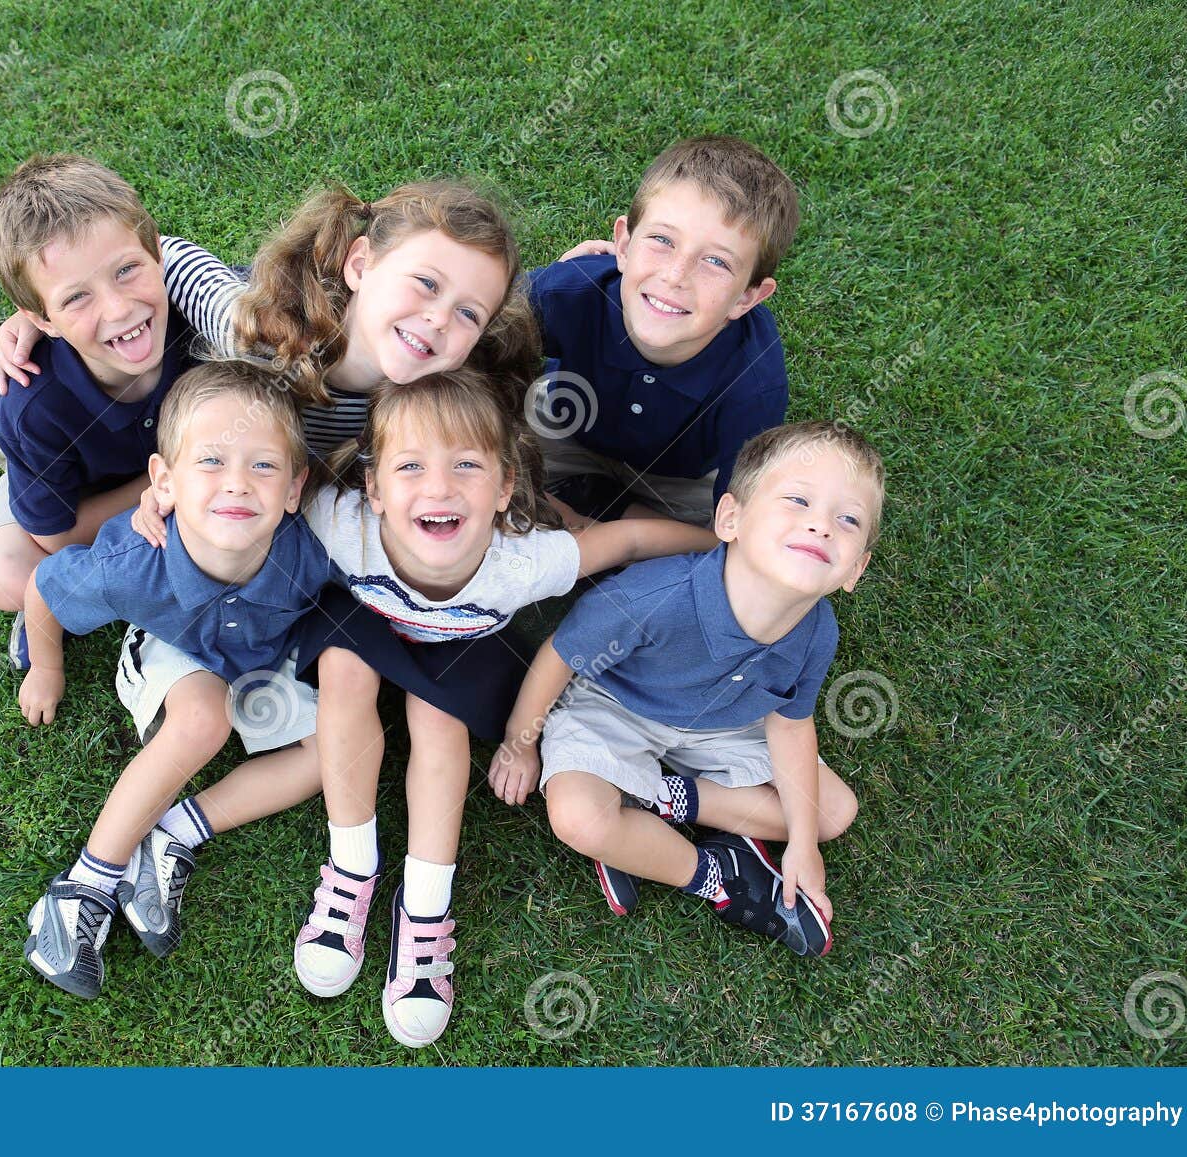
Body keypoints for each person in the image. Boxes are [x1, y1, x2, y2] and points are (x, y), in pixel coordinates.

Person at [289, 369, 715, 1046]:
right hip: (368, 627)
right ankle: (351, 869)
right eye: (409, 466)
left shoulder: (526, 562)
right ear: (372, 489)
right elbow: (268, 487)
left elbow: (627, 542)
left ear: (504, 487)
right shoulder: (342, 523)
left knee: (440, 727)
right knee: (343, 670)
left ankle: (424, 910)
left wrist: (727, 545)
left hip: (460, 650)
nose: (438, 487)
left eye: (466, 465)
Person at [489, 421, 885, 958]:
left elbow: (791, 723)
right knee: (579, 817)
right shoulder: (656, 596)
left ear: (855, 569)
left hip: (723, 723)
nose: (821, 527)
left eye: (848, 519)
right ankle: (714, 872)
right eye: (797, 501)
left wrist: (800, 841)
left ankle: (663, 801)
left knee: (832, 814)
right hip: (615, 706)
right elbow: (561, 653)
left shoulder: (818, 630)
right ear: (731, 519)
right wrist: (520, 740)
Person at [17, 362, 332, 998]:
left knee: (335, 751)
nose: (237, 484)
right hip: (173, 648)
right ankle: (84, 886)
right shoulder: (137, 561)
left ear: (296, 488)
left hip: (261, 660)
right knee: (202, 717)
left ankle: (176, 835)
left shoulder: (309, 550)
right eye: (210, 462)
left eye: (264, 466)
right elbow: (45, 587)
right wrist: (46, 666)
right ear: (163, 481)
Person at [0, 180, 541, 461]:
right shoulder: (256, 330)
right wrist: (47, 313)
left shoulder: (439, 403)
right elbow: (165, 254)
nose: (439, 319)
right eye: (425, 284)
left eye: (469, 312)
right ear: (359, 265)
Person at [0, 154, 197, 670]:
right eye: (76, 298)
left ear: (159, 255)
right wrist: (176, 483)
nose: (119, 309)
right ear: (42, 320)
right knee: (7, 575)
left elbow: (274, 298)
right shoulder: (35, 404)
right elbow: (56, 534)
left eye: (127, 270)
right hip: (80, 496)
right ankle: (44, 590)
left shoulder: (195, 310)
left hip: (174, 470)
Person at [529, 135, 799, 534]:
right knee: (477, 452)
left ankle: (614, 517)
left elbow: (737, 516)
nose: (675, 276)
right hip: (565, 425)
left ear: (747, 297)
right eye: (662, 240)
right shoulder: (568, 292)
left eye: (715, 262)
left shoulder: (754, 384)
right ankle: (598, 508)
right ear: (623, 244)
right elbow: (475, 329)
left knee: (719, 534)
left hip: (679, 477)